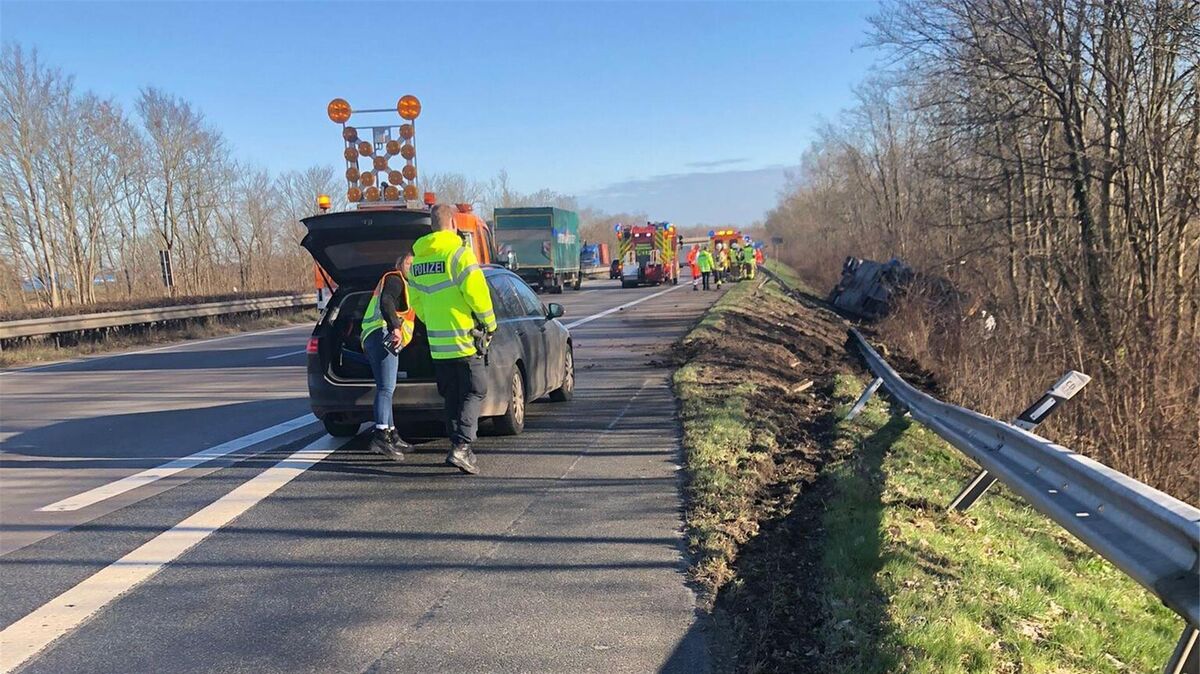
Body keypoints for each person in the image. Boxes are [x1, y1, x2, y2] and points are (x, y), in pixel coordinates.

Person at [407, 204, 498, 475]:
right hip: (465, 339)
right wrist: (490, 323)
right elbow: (477, 295)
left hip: (438, 344)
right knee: (474, 390)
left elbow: (416, 303)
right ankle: (461, 447)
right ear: (454, 224)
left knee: (452, 396)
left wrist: (434, 322)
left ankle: (457, 444)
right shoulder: (460, 255)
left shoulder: (419, 262)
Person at [361, 254, 416, 460]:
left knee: (386, 388)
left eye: (414, 264)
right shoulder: (395, 279)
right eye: (409, 263)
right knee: (386, 388)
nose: (411, 267)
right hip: (382, 335)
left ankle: (391, 434)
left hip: (374, 337)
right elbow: (386, 303)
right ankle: (381, 436)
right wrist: (395, 328)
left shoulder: (408, 286)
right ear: (398, 264)